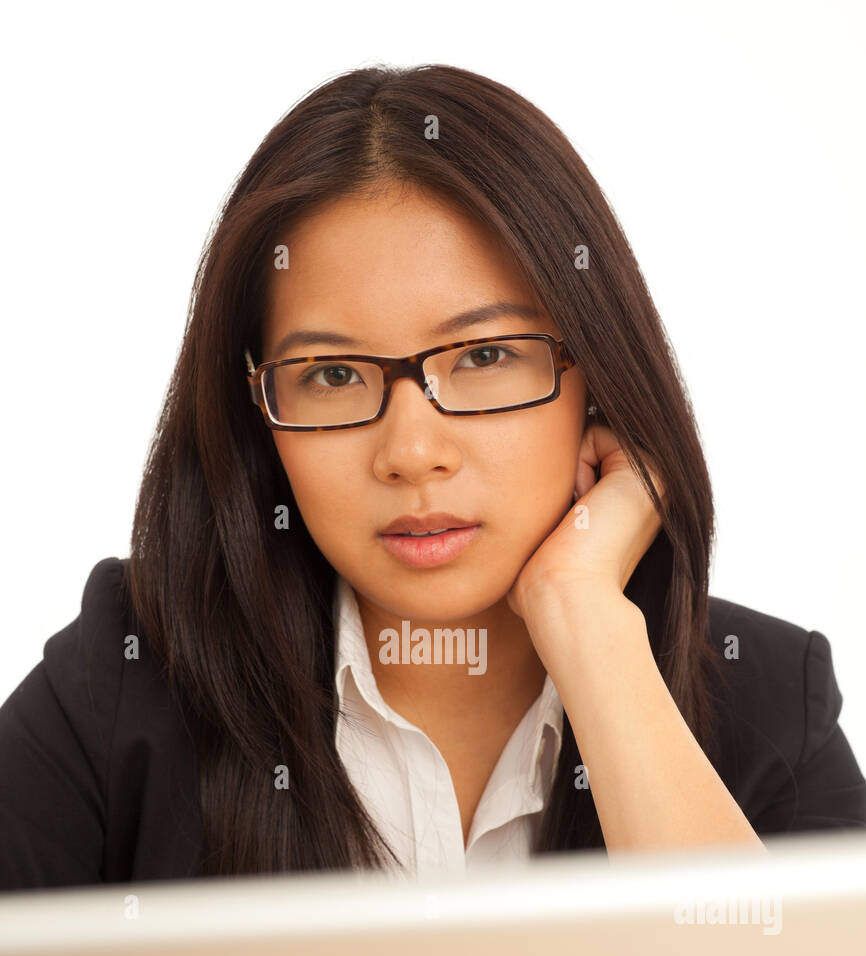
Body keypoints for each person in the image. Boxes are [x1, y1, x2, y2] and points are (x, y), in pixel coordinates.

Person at [1, 63, 864, 891]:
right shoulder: (116, 693)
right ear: (258, 413)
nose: (411, 452)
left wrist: (589, 627)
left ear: (596, 380)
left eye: (486, 355)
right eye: (333, 375)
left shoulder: (768, 702)